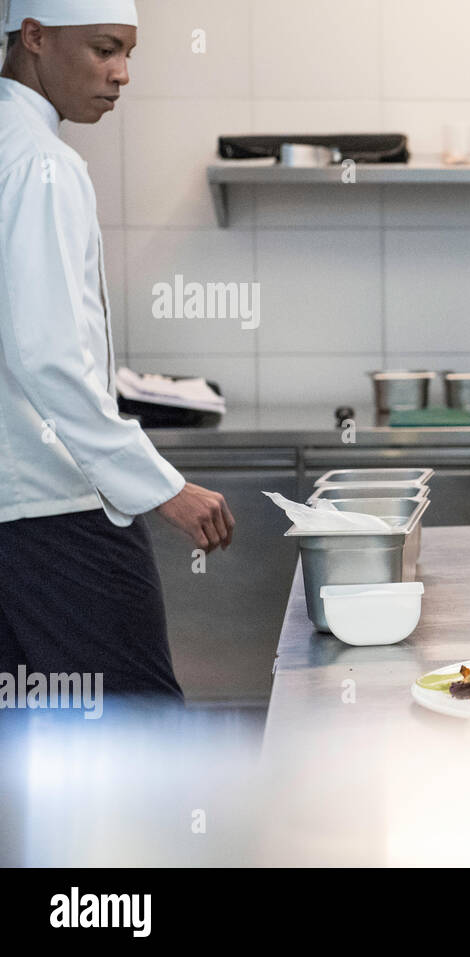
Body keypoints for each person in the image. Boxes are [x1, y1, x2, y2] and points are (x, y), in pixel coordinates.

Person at [0, 0, 233, 703]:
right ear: (35, 38)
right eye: (104, 49)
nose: (121, 74)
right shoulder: (42, 162)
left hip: (16, 519)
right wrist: (163, 485)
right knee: (139, 733)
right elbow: (46, 354)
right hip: (57, 517)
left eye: (128, 52)